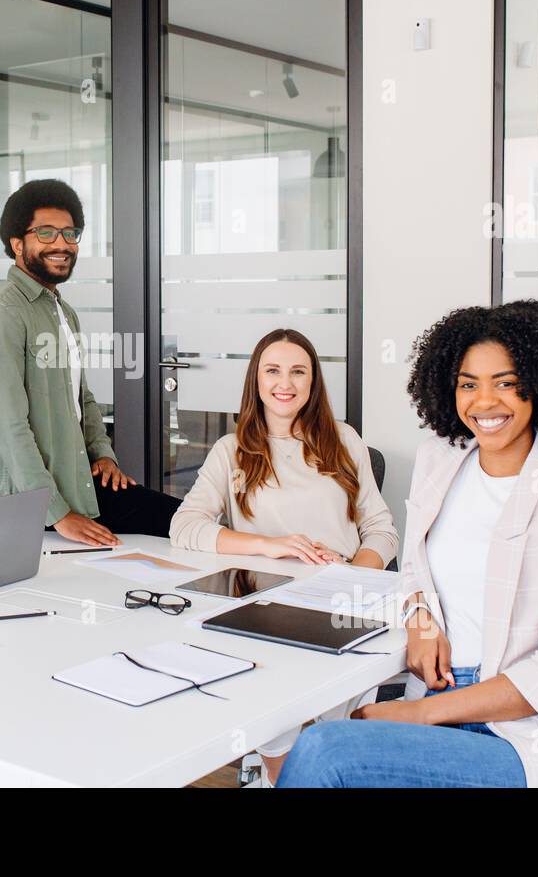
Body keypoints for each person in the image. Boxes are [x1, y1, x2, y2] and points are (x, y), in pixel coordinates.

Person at [277, 299, 538, 787]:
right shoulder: (439, 462)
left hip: (529, 733)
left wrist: (424, 716)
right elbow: (416, 570)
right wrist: (419, 618)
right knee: (324, 735)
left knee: (327, 750)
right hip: (439, 692)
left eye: (507, 383)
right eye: (469, 384)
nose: (484, 402)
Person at [170, 328, 397, 784]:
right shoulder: (231, 451)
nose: (285, 383)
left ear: (313, 382)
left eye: (298, 371)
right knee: (273, 709)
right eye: (272, 371)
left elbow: (382, 531)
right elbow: (184, 528)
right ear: (256, 379)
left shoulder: (344, 441)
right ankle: (273, 771)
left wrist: (351, 578)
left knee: (339, 725)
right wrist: (272, 544)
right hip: (266, 606)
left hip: (343, 600)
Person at [0, 179, 180, 545]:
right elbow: (8, 427)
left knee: (183, 522)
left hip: (80, 485)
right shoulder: (1, 312)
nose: (62, 244)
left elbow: (81, 398)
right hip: (30, 505)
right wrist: (57, 513)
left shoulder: (63, 312)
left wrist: (104, 455)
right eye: (47, 233)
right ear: (16, 243)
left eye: (70, 233)